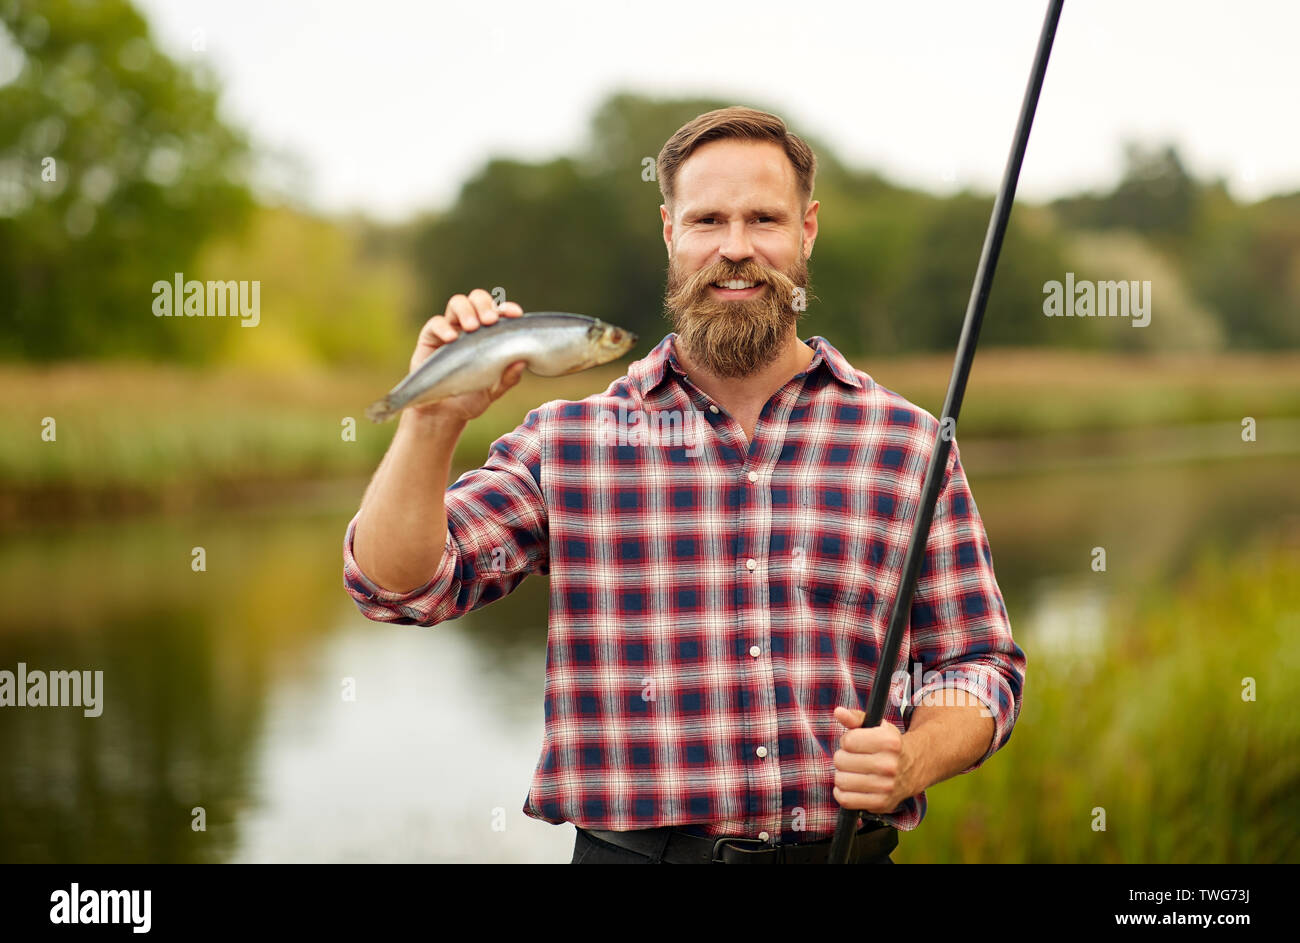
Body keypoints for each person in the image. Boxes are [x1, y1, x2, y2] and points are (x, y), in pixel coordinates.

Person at [343, 106, 1026, 864]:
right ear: (671, 234)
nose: (735, 249)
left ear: (808, 230)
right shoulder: (571, 441)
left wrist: (917, 754)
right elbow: (398, 587)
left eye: (763, 218)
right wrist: (429, 423)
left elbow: (981, 664)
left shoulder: (906, 445)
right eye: (708, 221)